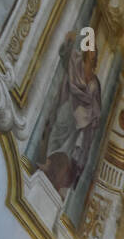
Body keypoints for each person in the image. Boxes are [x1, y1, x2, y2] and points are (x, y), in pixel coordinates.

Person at [39, 35, 103, 194]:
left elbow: (96, 108)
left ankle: (58, 179)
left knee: (70, 149)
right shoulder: (77, 64)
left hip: (81, 120)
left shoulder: (95, 81)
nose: (91, 54)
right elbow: (66, 54)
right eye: (89, 51)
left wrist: (90, 117)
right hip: (69, 110)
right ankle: (48, 162)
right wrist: (69, 40)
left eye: (93, 52)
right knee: (57, 133)